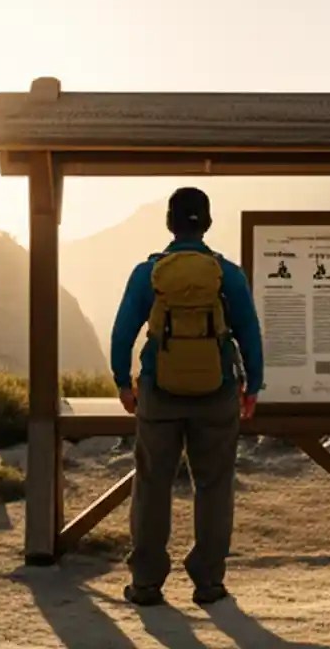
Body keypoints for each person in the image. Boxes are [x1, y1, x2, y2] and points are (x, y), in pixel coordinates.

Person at [109, 186, 264, 607]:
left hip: (159, 394)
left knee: (152, 486)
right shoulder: (226, 274)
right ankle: (208, 583)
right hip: (217, 395)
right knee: (213, 487)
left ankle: (146, 584)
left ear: (170, 224)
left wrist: (124, 382)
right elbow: (249, 332)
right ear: (208, 223)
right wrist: (253, 387)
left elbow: (123, 331)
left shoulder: (149, 274)